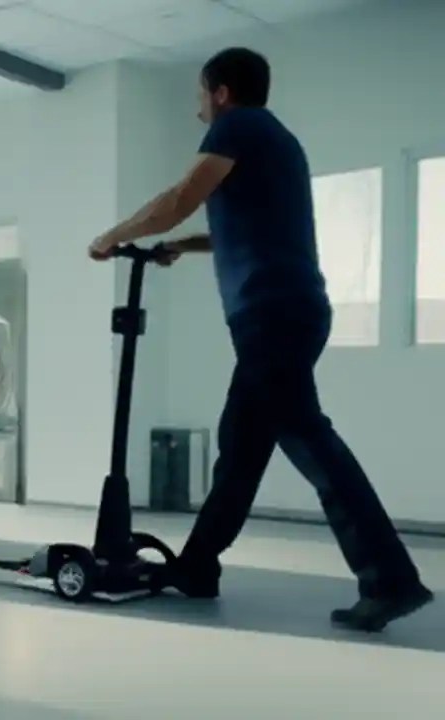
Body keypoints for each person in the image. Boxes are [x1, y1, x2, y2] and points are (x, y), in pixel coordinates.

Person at [86, 46, 433, 632]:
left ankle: (391, 578)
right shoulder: (276, 141)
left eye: (201, 95)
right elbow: (244, 227)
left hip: (273, 314)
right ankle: (197, 566)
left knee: (306, 436)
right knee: (242, 448)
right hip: (284, 310)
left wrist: (111, 236)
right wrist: (183, 248)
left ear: (221, 92)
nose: (199, 109)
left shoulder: (239, 126)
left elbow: (177, 199)